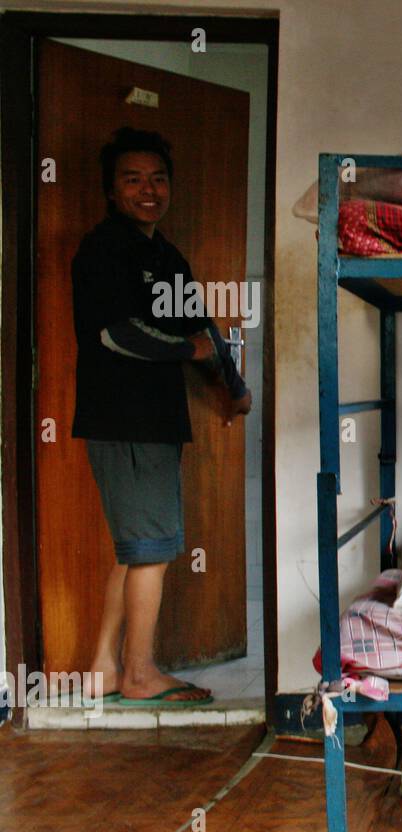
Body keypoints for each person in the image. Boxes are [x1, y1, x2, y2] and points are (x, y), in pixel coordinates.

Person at [72, 127, 252, 706]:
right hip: (126, 420)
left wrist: (232, 383)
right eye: (133, 179)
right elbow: (115, 333)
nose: (148, 189)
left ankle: (103, 668)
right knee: (150, 549)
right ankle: (141, 673)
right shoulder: (105, 250)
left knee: (137, 548)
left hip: (151, 422)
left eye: (158, 178)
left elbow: (198, 328)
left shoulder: (163, 254)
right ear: (111, 190)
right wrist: (191, 352)